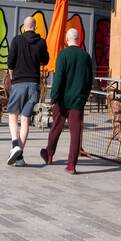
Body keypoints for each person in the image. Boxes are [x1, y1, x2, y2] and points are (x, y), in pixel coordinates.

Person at [40, 28, 93, 174]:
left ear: (66, 38)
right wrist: (84, 97)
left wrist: (54, 97)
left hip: (62, 99)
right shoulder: (85, 56)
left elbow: (58, 78)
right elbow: (89, 80)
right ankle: (71, 164)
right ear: (79, 38)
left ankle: (49, 154)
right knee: (75, 132)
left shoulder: (62, 55)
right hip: (77, 100)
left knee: (56, 127)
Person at [5, 15, 49, 166]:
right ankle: (19, 158)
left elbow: (10, 62)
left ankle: (15, 145)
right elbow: (46, 60)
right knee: (25, 120)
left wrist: (12, 76)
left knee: (12, 116)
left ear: (23, 27)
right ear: (35, 27)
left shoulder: (17, 40)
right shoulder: (41, 42)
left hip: (19, 83)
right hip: (34, 85)